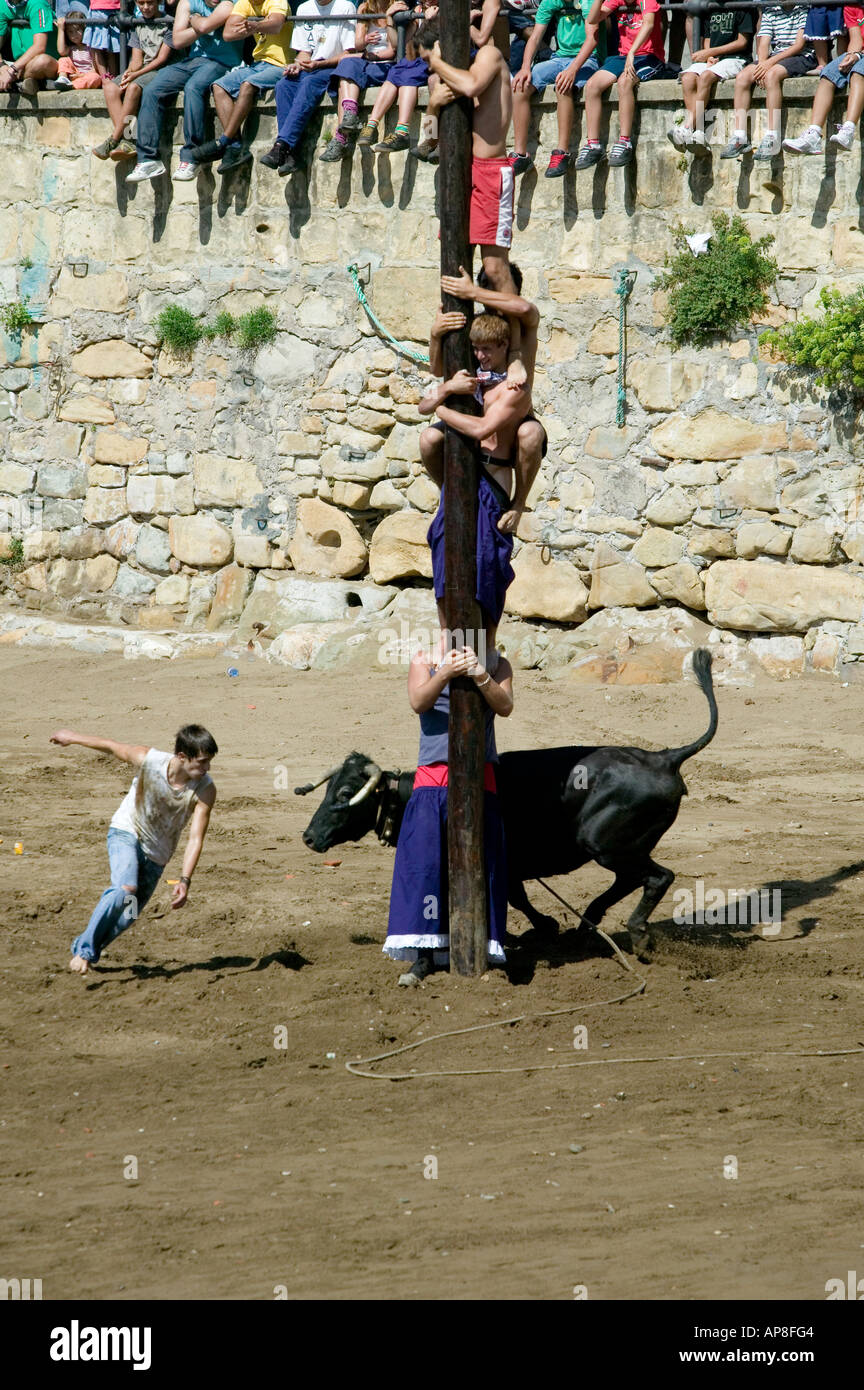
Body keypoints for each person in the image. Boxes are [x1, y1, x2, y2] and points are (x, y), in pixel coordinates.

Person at [382, 640, 513, 985]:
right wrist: (445, 672)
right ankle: (425, 956)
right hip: (433, 781)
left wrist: (481, 674)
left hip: (479, 781)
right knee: (427, 867)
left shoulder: (498, 663)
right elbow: (418, 702)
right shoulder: (424, 659)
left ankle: (479, 948)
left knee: (482, 867)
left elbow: (506, 706)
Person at [49, 724, 218, 975]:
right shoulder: (149, 760)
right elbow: (111, 746)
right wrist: (72, 738)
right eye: (202, 762)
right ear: (182, 756)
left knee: (128, 914)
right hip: (126, 832)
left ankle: (86, 948)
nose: (206, 769)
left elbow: (196, 838)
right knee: (124, 888)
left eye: (209, 762)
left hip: (157, 855)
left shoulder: (205, 789)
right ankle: (84, 952)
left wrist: (185, 880)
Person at [420, 312, 532, 649]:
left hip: (493, 478)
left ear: (503, 346)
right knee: (442, 544)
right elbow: (425, 402)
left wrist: (442, 407)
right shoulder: (470, 375)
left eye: (486, 349)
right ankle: (447, 637)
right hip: (460, 476)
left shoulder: (514, 387)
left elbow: (482, 429)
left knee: (488, 562)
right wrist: (447, 386)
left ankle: (487, 642)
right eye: (476, 348)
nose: (480, 356)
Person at [438, 262, 546, 536]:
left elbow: (521, 308)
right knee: (429, 441)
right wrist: (435, 334)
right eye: (488, 289)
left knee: (531, 434)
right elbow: (438, 369)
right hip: (478, 416)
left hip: (511, 416)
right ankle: (447, 491)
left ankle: (518, 504)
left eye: (498, 290)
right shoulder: (479, 326)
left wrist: (471, 291)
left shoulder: (524, 321)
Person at [414, 19, 515, 294]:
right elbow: (428, 141)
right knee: (454, 261)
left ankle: (519, 334)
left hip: (490, 172)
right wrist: (433, 105)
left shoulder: (488, 56)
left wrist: (437, 63)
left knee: (494, 269)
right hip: (458, 175)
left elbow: (471, 87)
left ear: (440, 48)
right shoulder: (444, 79)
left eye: (428, 58)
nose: (428, 66)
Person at [125, 0, 243, 184]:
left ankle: (190, 157)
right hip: (193, 60)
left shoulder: (229, 3)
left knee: (193, 88)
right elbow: (178, 41)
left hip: (222, 61)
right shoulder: (187, 3)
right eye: (141, 3)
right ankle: (144, 155)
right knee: (150, 89)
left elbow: (200, 26)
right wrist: (201, 25)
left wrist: (196, 21)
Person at [192, 0, 294, 173]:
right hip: (259, 63)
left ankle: (224, 141)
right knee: (219, 86)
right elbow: (228, 34)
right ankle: (236, 146)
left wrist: (254, 26)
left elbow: (276, 24)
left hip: (281, 65)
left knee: (247, 85)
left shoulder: (277, 1)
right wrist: (251, 27)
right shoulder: (245, 3)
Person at [258, 0, 356, 176]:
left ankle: (282, 146)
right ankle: (290, 154)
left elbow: (349, 53)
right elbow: (303, 52)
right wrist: (298, 65)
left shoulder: (345, 6)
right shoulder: (304, 8)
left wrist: (320, 64)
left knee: (309, 84)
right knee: (283, 85)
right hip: (310, 67)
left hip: (332, 66)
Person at [510, 0, 606, 177]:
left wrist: (572, 70)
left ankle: (562, 151)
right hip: (559, 58)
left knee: (563, 85)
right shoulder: (551, 1)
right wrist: (525, 67)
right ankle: (520, 154)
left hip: (589, 59)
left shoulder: (587, 2)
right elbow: (536, 36)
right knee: (520, 86)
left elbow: (592, 39)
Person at [575, 0, 667, 168]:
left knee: (625, 81)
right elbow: (592, 19)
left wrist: (632, 52)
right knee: (592, 85)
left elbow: (648, 24)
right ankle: (593, 144)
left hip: (649, 56)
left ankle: (625, 142)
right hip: (623, 57)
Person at [720, 4, 815, 161]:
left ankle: (773, 135)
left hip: (801, 56)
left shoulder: (802, 9)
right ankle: (740, 136)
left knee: (772, 76)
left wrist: (768, 65)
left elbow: (799, 45)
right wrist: (762, 64)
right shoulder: (771, 10)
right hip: (775, 56)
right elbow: (764, 43)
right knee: (742, 77)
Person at [92, 0, 176, 161]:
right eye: (141, 3)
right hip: (142, 69)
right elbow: (137, 60)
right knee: (110, 87)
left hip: (159, 70)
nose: (145, 7)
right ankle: (127, 139)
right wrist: (128, 72)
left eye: (150, 3)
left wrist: (135, 76)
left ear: (158, 2)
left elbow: (161, 59)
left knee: (133, 88)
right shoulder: (138, 23)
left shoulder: (168, 24)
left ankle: (115, 139)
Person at [668, 6, 754, 152]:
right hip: (715, 59)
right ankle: (698, 132)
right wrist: (709, 56)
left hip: (736, 59)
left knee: (706, 77)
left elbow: (742, 42)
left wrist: (711, 52)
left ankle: (688, 127)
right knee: (688, 78)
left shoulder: (743, 7)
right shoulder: (711, 8)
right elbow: (708, 39)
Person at [320, 0, 397, 160]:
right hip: (368, 61)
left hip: (386, 64)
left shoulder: (395, 8)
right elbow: (358, 44)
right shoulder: (364, 8)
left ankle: (340, 139)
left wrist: (367, 55)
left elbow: (392, 50)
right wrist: (366, 40)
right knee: (346, 64)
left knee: (344, 79)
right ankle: (350, 115)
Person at [356, 2, 437, 153]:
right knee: (395, 72)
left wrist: (429, 22)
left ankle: (412, 134)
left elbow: (428, 45)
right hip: (421, 61)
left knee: (416, 78)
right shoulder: (419, 11)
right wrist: (389, 19)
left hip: (434, 60)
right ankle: (372, 126)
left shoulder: (444, 11)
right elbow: (402, 45)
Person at [783, 7, 863, 154]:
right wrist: (851, 55)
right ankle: (813, 134)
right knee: (827, 74)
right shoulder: (852, 6)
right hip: (859, 53)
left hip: (861, 58)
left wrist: (857, 57)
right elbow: (856, 37)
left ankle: (849, 130)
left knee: (858, 73)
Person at [0, 0, 59, 94]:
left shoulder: (38, 3)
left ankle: (15, 82)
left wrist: (12, 70)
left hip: (45, 62)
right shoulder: (2, 5)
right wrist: (2, 66)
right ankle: (28, 83)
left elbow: (39, 47)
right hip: (17, 64)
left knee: (42, 62)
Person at [55, 3, 102, 88]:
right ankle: (63, 78)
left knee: (95, 78)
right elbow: (61, 51)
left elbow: (95, 70)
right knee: (63, 59)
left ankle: (72, 86)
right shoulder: (71, 48)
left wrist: (81, 76)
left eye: (77, 30)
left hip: (87, 75)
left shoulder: (90, 48)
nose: (74, 35)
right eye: (70, 32)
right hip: (73, 73)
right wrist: (61, 29)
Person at [804, 5, 846, 71]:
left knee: (841, 33)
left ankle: (843, 63)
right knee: (818, 33)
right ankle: (822, 65)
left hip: (838, 4)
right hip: (817, 5)